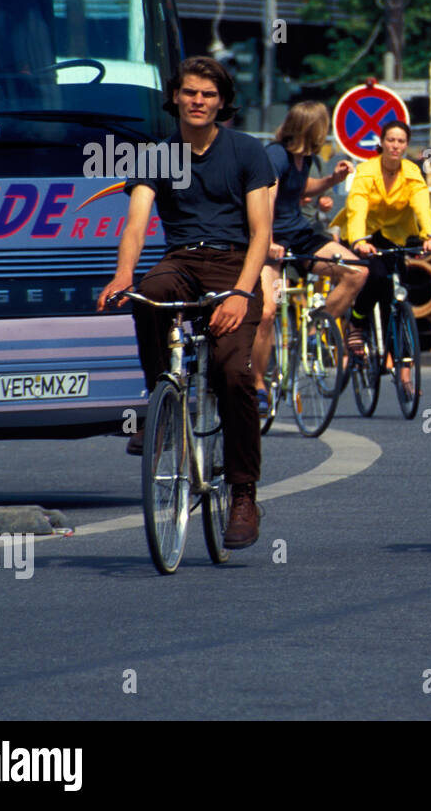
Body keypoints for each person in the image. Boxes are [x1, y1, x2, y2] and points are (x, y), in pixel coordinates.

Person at [96, 56, 273, 550]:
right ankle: (160, 402)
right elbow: (136, 223)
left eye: (208, 95)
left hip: (235, 265)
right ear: (174, 96)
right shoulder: (155, 155)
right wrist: (124, 273)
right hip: (182, 263)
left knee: (233, 372)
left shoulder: (246, 151)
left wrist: (241, 292)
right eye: (190, 92)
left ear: (222, 102)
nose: (198, 101)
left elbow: (262, 233)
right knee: (147, 294)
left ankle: (243, 493)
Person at [253, 101, 365, 416]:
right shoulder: (277, 155)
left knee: (356, 272)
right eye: (324, 127)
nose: (326, 133)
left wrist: (331, 180)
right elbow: (266, 199)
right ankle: (258, 384)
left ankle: (314, 332)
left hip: (300, 236)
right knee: (266, 312)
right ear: (312, 129)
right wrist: (269, 243)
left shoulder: (305, 159)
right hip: (270, 241)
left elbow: (303, 188)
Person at [335, 120, 431, 376]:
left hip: (396, 236)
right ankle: (357, 324)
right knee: (376, 276)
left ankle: (401, 365)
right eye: (391, 140)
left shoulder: (412, 172)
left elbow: (421, 207)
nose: (395, 146)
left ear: (406, 145)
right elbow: (357, 207)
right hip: (366, 235)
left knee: (397, 294)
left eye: (401, 141)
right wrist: (359, 240)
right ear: (382, 143)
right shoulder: (366, 171)